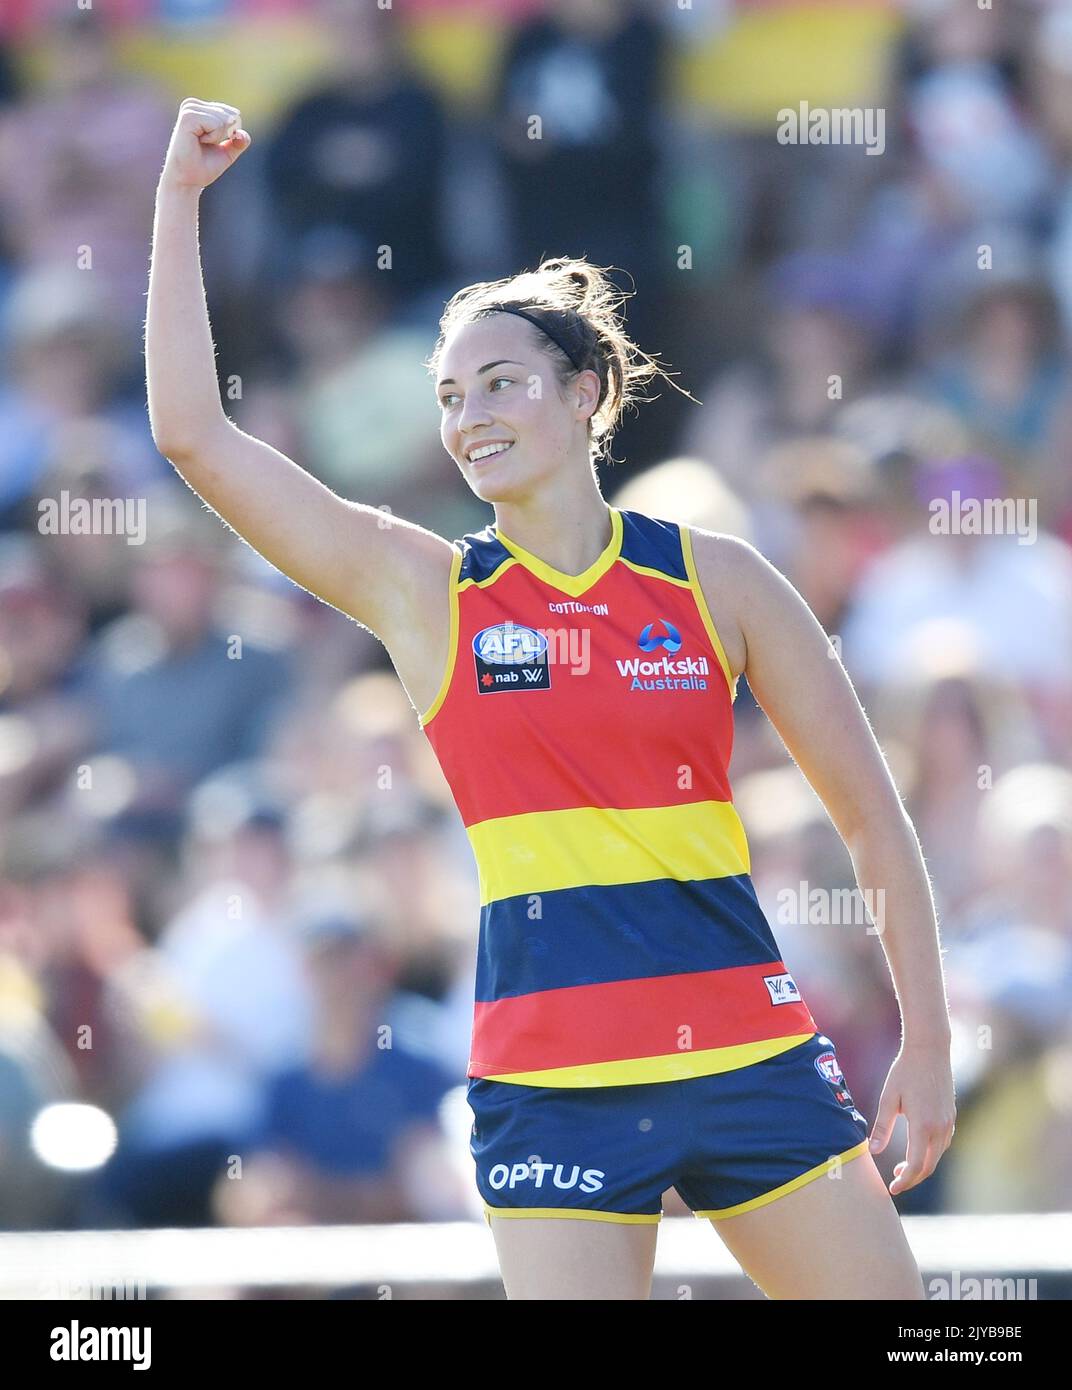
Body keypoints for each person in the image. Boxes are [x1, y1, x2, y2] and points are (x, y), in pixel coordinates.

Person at [145, 99, 956, 1301]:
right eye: (450, 394)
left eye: (500, 383)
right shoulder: (426, 590)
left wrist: (930, 1044)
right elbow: (191, 436)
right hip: (553, 1084)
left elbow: (873, 822)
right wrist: (175, 204)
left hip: (754, 1060)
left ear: (583, 394)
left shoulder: (714, 575)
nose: (470, 417)